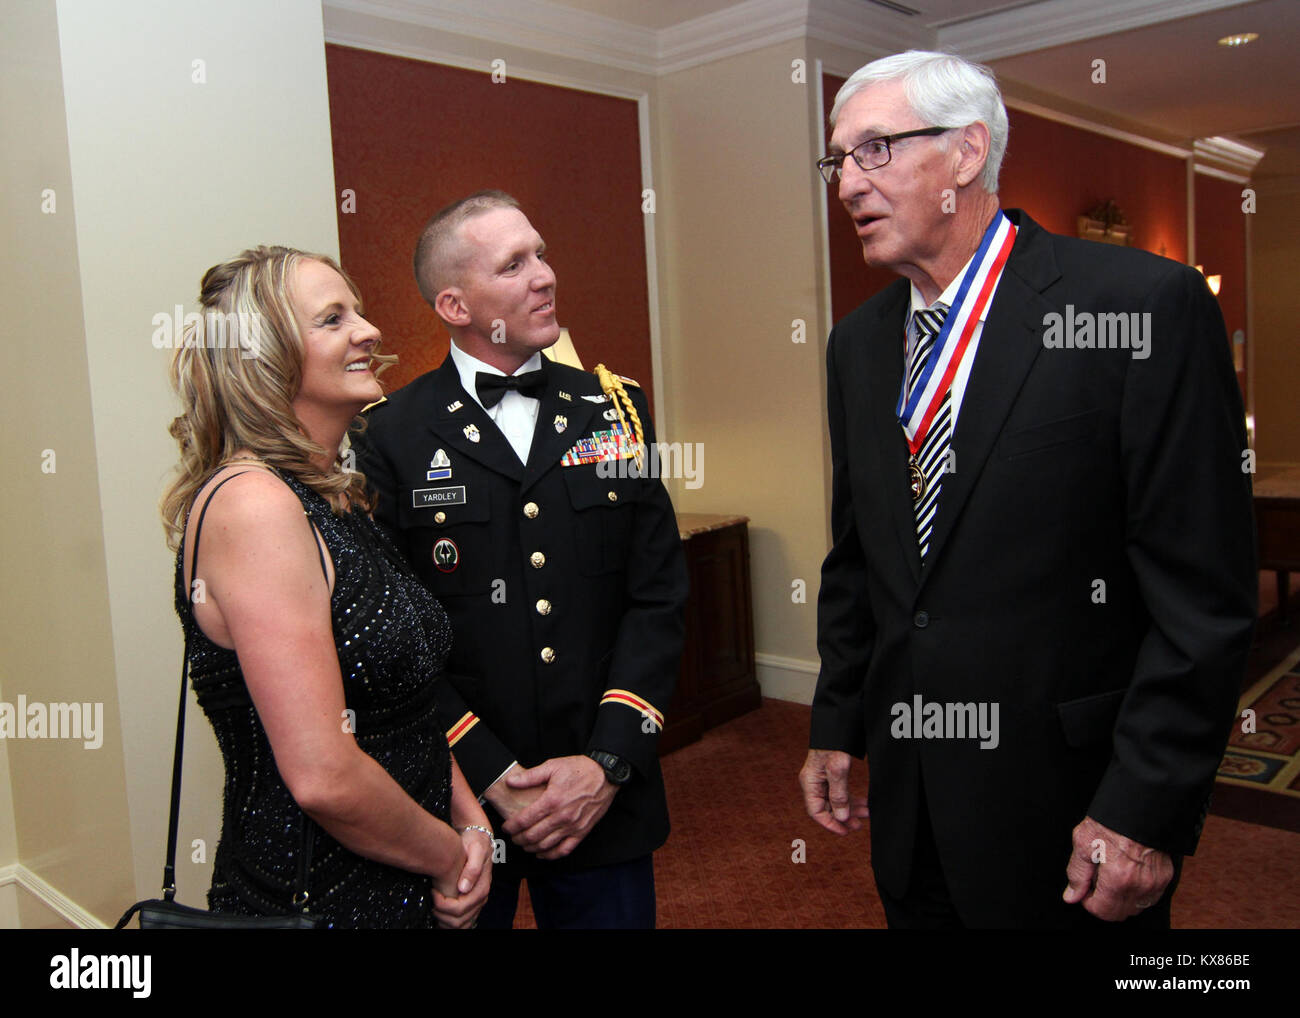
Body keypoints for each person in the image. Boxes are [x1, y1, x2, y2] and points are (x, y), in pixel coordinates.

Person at [797, 51, 1256, 928]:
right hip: (914, 804)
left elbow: (1202, 602)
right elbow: (861, 560)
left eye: (876, 150)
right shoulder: (856, 346)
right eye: (839, 160)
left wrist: (1143, 813)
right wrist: (835, 721)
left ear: (968, 152)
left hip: (1072, 811)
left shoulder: (1142, 305)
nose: (848, 182)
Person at [351, 191, 687, 929]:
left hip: (603, 795)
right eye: (514, 264)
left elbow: (657, 598)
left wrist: (606, 762)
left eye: (541, 253)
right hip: (457, 804)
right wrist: (489, 771)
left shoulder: (614, 409)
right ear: (455, 304)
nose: (545, 275)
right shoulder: (390, 436)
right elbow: (388, 636)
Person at [161, 245, 493, 928]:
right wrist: (449, 857)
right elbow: (322, 777)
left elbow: (405, 708)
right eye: (332, 319)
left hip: (413, 876)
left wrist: (475, 825)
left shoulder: (336, 499)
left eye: (360, 313)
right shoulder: (254, 505)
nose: (369, 331)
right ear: (265, 357)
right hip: (324, 902)